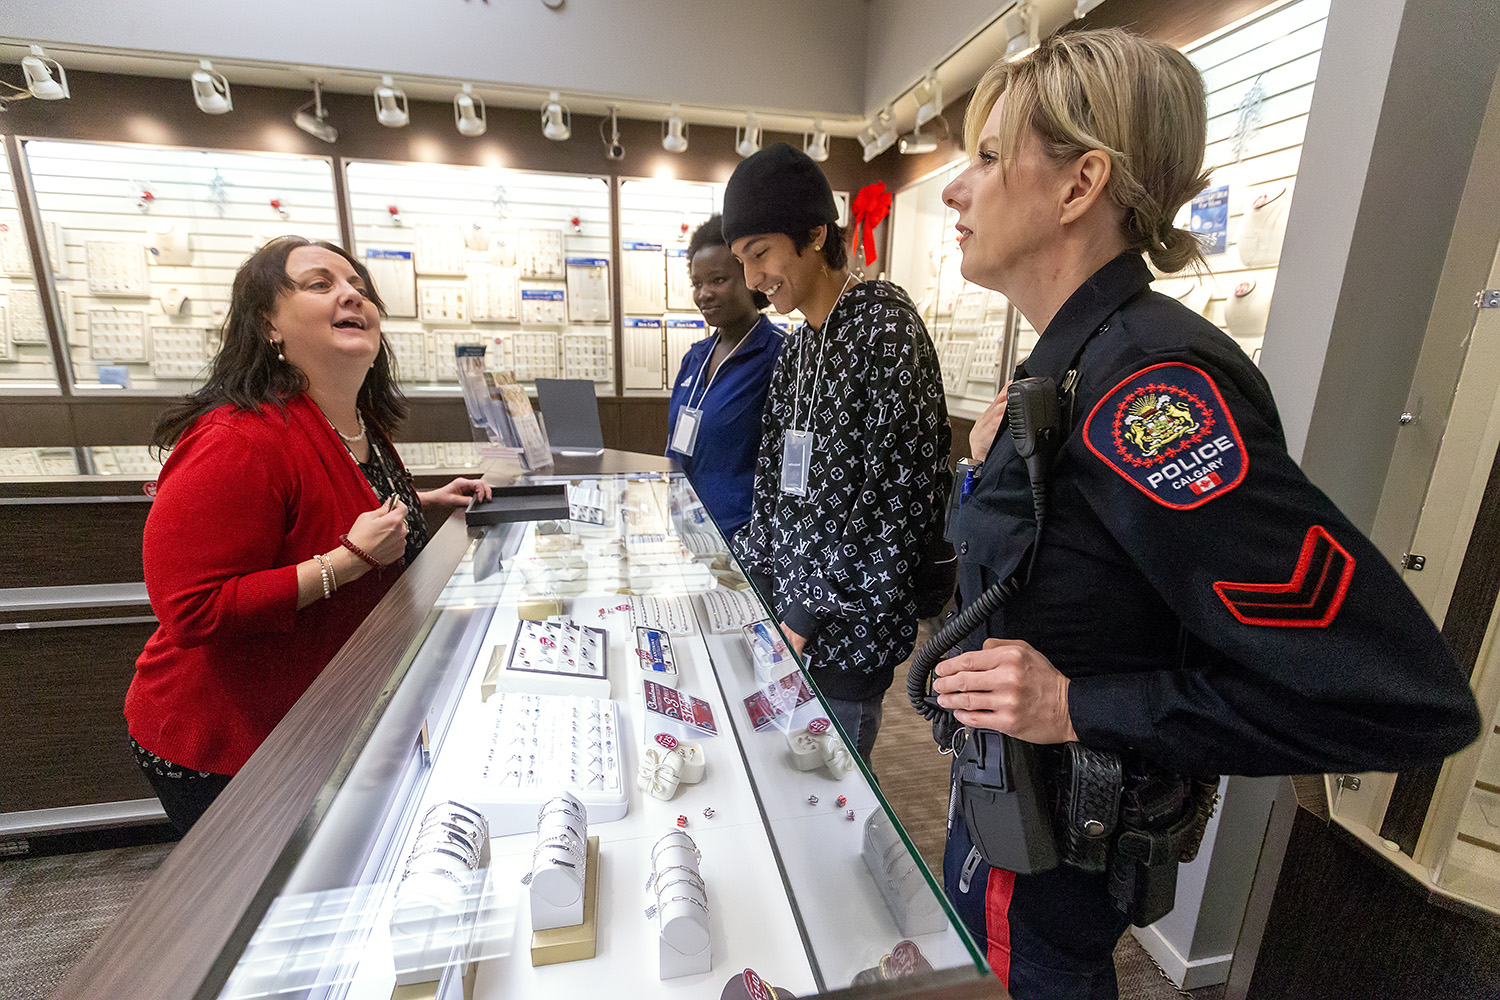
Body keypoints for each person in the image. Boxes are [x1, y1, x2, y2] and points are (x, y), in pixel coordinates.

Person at [926, 29, 1480, 1000]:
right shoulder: (1064, 365)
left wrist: (1077, 706)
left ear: (1077, 185)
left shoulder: (1149, 388)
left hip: (1053, 873)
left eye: (983, 156)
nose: (952, 189)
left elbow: (1388, 692)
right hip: (996, 816)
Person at [125, 236, 492, 835]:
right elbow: (191, 608)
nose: (351, 295)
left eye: (358, 287)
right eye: (321, 284)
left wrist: (420, 503)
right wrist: (346, 562)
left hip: (317, 723)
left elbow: (320, 506)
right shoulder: (236, 438)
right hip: (231, 742)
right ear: (268, 324)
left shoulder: (352, 420)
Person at [724, 143, 952, 762]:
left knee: (829, 801)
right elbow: (772, 487)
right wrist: (749, 585)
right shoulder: (798, 350)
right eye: (742, 260)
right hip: (785, 625)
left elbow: (894, 506)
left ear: (816, 235)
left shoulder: (886, 326)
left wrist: (805, 611)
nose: (751, 280)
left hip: (845, 636)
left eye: (761, 254)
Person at [666, 214, 783, 540]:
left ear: (749, 276)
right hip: (685, 532)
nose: (703, 294)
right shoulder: (695, 358)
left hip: (741, 541)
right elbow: (674, 449)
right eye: (697, 283)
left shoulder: (777, 357)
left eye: (717, 280)